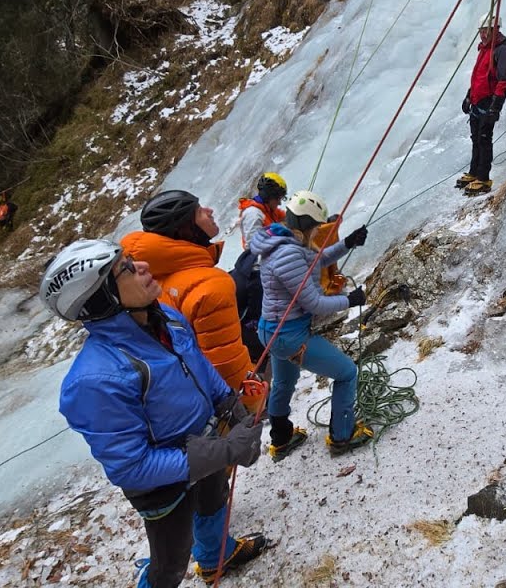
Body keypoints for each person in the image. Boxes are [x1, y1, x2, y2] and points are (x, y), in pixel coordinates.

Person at [43, 238, 268, 586]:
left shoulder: (166, 319)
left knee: (213, 502)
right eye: (127, 269)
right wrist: (223, 451)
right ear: (103, 298)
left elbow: (197, 365)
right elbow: (131, 467)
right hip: (164, 485)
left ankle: (216, 558)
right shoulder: (95, 380)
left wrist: (229, 404)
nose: (144, 267)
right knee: (171, 561)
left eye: (132, 259)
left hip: (205, 444)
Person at [250, 190, 373, 461]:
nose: (318, 230)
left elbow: (315, 260)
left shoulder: (282, 241)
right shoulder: (289, 254)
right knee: (346, 372)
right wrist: (350, 300)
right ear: (307, 225)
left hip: (272, 331)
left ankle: (281, 439)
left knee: (284, 381)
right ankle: (342, 435)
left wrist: (347, 243)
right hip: (289, 335)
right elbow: (315, 304)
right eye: (316, 226)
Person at [121, 190, 262, 411]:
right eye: (199, 211)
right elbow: (227, 363)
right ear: (185, 228)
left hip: (184, 401)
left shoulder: (146, 276)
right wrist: (255, 400)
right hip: (225, 404)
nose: (210, 211)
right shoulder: (210, 284)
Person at [232, 173, 288, 365]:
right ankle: (257, 353)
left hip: (266, 267)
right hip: (256, 271)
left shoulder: (267, 210)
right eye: (278, 197)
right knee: (255, 315)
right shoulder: (253, 214)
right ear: (270, 196)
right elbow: (253, 244)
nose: (279, 202)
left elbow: (286, 217)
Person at [457, 12, 506, 196]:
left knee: (484, 138)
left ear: (495, 29)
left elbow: (504, 80)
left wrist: (495, 107)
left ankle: (483, 178)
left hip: (489, 101)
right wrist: (469, 96)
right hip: (478, 100)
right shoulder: (484, 48)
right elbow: (479, 77)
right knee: (476, 138)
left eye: (486, 30)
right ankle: (474, 172)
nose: (482, 34)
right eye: (481, 31)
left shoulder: (502, 51)